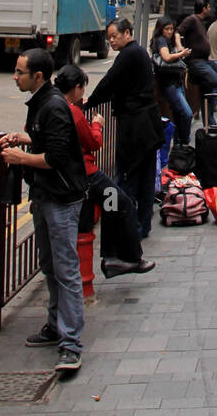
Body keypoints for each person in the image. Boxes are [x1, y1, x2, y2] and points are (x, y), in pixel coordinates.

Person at [0, 49, 86, 372]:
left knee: (65, 269)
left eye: (20, 72)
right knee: (49, 265)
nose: (14, 76)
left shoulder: (53, 107)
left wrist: (21, 159)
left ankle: (71, 343)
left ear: (37, 76)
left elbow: (57, 158)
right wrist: (25, 138)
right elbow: (45, 142)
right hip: (46, 195)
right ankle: (55, 325)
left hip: (62, 198)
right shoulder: (41, 102)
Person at [55, 64, 155, 279]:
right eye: (82, 89)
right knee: (122, 203)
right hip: (87, 176)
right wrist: (97, 124)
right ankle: (131, 257)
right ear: (76, 87)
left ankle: (111, 256)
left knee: (111, 205)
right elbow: (93, 143)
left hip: (72, 178)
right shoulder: (72, 111)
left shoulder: (52, 106)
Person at [85, 19, 165, 242]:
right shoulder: (137, 53)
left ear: (127, 33)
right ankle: (141, 225)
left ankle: (129, 227)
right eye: (109, 37)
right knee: (145, 179)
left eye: (114, 36)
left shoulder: (130, 54)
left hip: (136, 129)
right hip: (147, 126)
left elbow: (109, 83)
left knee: (126, 179)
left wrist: (88, 104)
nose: (111, 40)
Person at [177, 0, 217, 121]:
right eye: (208, 7)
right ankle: (211, 109)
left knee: (206, 92)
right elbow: (178, 31)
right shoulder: (192, 19)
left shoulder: (200, 22)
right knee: (216, 82)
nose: (210, 9)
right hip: (197, 62)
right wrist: (180, 47)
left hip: (204, 60)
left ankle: (209, 124)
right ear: (203, 9)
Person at [150, 17, 193, 144]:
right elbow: (167, 57)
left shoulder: (169, 40)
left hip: (175, 82)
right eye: (166, 29)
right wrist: (181, 54)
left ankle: (179, 144)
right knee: (186, 113)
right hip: (169, 84)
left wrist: (178, 42)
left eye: (171, 29)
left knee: (179, 114)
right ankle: (184, 141)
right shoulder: (161, 40)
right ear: (160, 29)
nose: (169, 32)